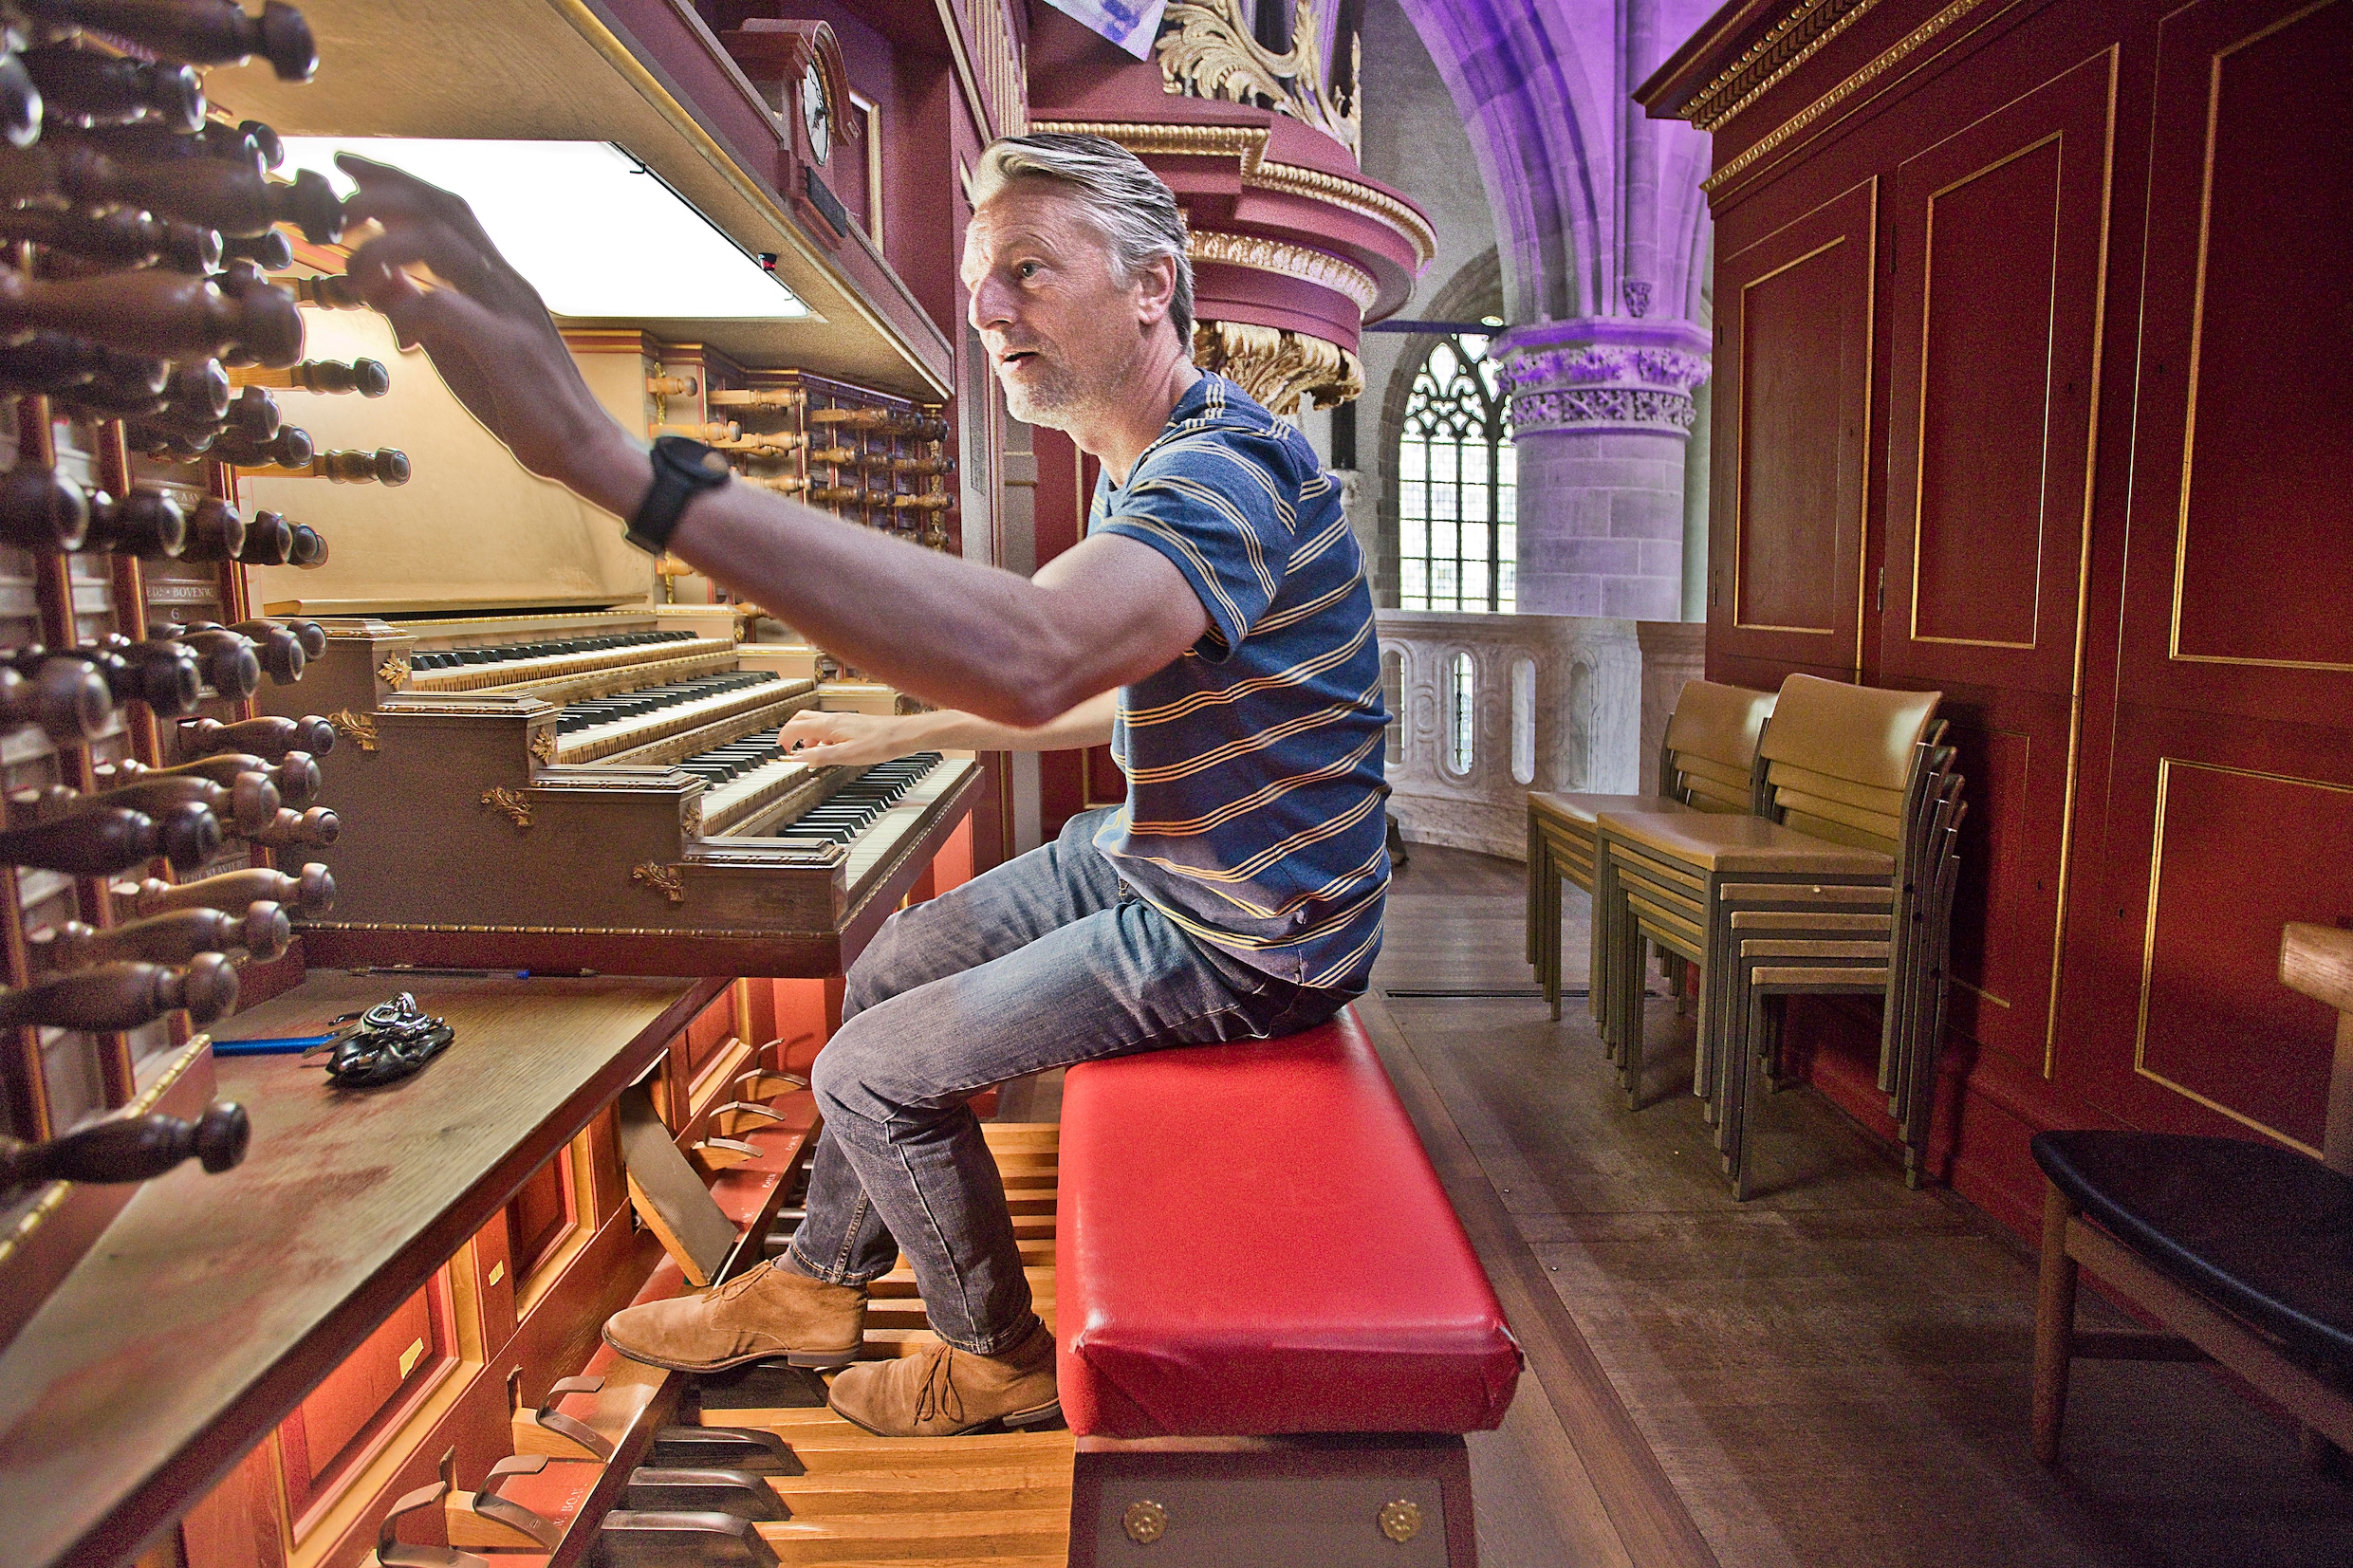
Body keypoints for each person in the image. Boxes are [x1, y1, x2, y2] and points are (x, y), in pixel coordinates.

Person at [338, 132, 1389, 1438]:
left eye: (1028, 270)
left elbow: (1034, 650)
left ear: (1153, 287)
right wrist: (888, 738)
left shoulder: (1230, 468)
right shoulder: (1157, 458)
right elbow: (1087, 684)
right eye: (974, 276)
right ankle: (816, 1285)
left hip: (1253, 928)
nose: (987, 308)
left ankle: (994, 1355)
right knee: (894, 960)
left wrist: (609, 461)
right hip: (1158, 851)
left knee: (867, 1068)